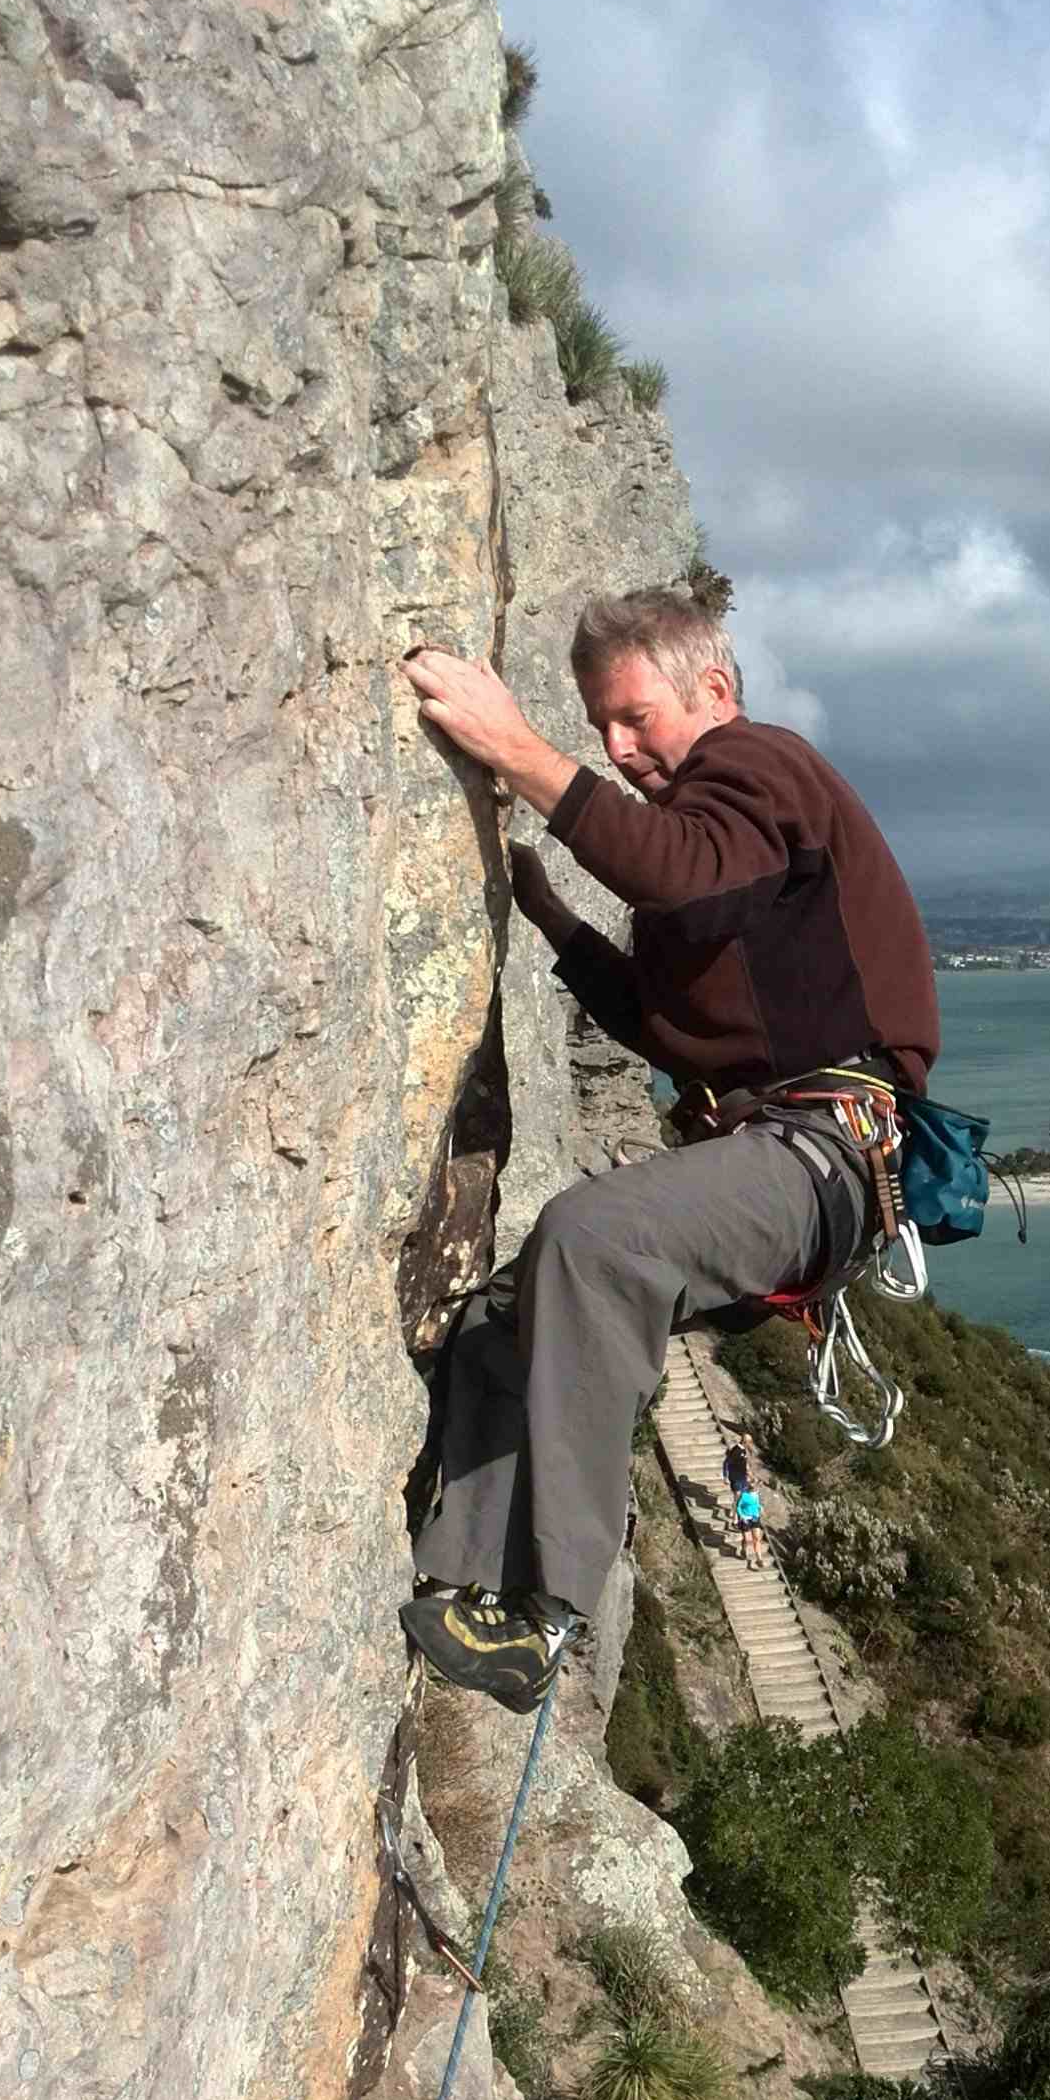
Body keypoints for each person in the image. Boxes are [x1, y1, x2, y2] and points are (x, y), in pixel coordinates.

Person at [395, 587, 938, 1710]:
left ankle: (546, 1609)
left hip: (822, 1151)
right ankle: (460, 1586)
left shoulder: (762, 768)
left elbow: (677, 866)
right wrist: (544, 911)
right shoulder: (729, 849)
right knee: (508, 1314)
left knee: (590, 1237)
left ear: (718, 693)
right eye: (601, 725)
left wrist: (519, 749)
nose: (617, 746)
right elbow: (660, 1020)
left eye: (637, 716)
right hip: (777, 1150)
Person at [722, 1436, 765, 1566]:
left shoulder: (744, 1451)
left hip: (743, 1478)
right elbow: (726, 1463)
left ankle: (759, 1558)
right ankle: (735, 1519)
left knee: (756, 1537)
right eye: (749, 1442)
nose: (751, 1444)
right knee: (738, 1498)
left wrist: (750, 1474)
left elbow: (745, 1465)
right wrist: (725, 1476)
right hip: (735, 1478)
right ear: (745, 1441)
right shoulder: (735, 1450)